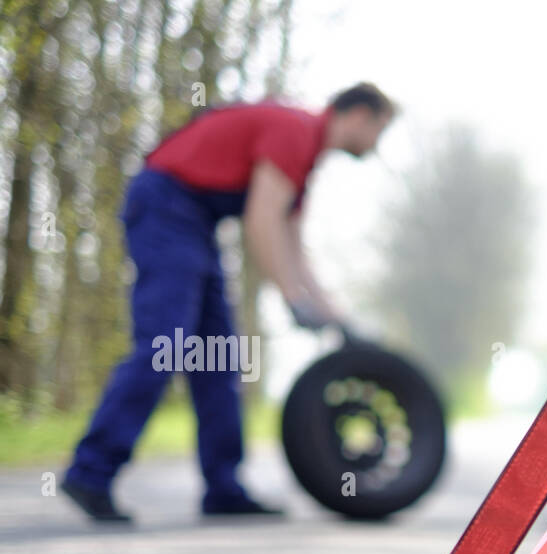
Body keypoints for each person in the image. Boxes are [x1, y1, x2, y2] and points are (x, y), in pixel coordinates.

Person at [62, 83, 395, 521]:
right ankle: (91, 471)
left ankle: (224, 488)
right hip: (166, 205)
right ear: (358, 116)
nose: (376, 144)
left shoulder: (304, 152)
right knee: (167, 345)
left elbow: (293, 245)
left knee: (217, 356)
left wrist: (336, 317)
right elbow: (262, 220)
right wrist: (293, 299)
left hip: (194, 222)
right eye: (379, 131)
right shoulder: (293, 130)